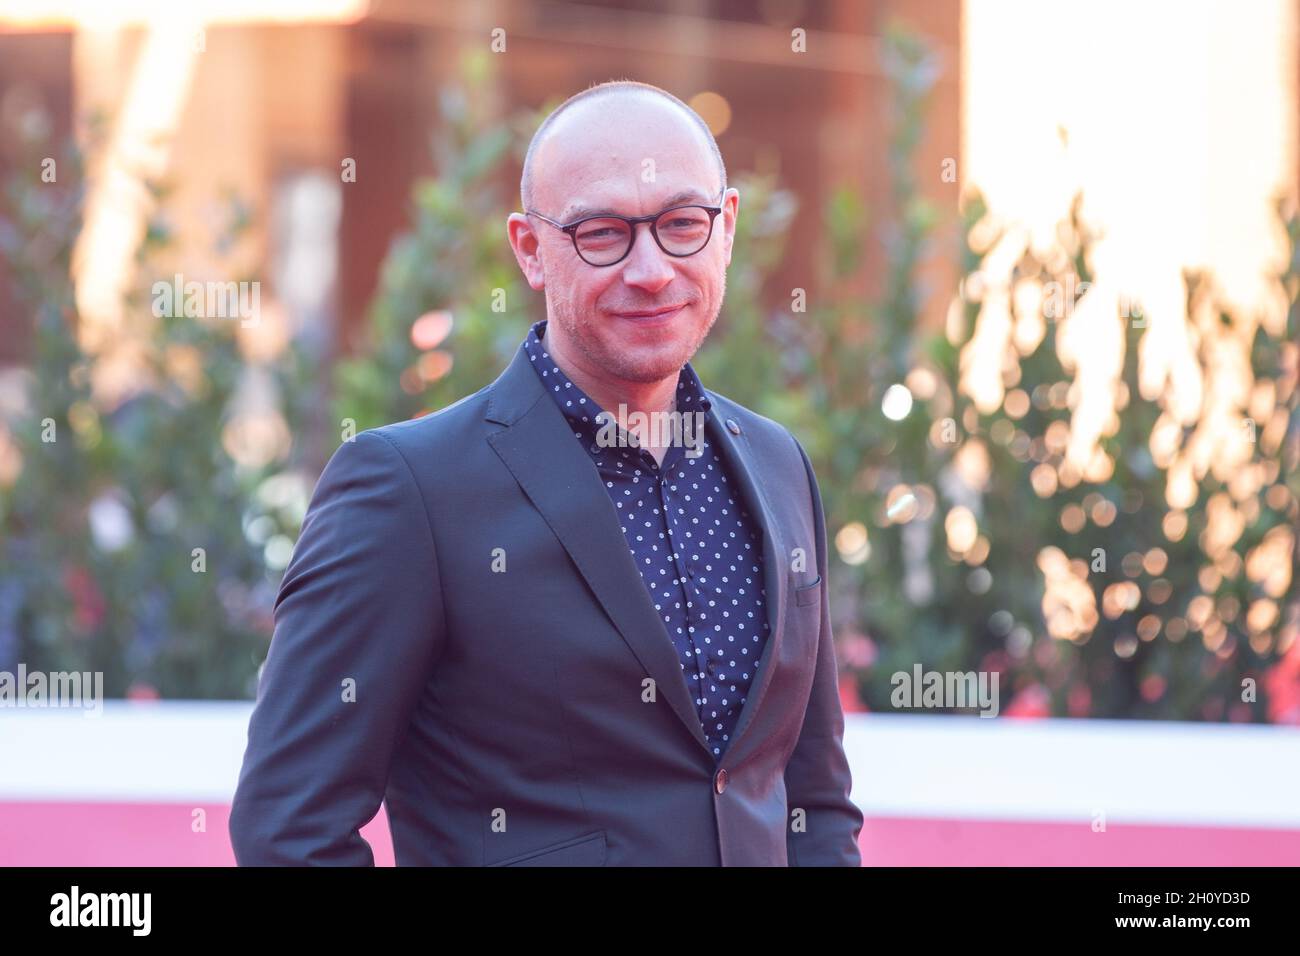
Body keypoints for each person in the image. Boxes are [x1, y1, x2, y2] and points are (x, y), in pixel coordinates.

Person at [229, 79, 863, 866]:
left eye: (681, 225)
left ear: (726, 227)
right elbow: (288, 828)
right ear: (530, 250)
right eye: (601, 233)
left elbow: (812, 801)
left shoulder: (776, 466)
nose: (652, 269)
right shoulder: (408, 491)